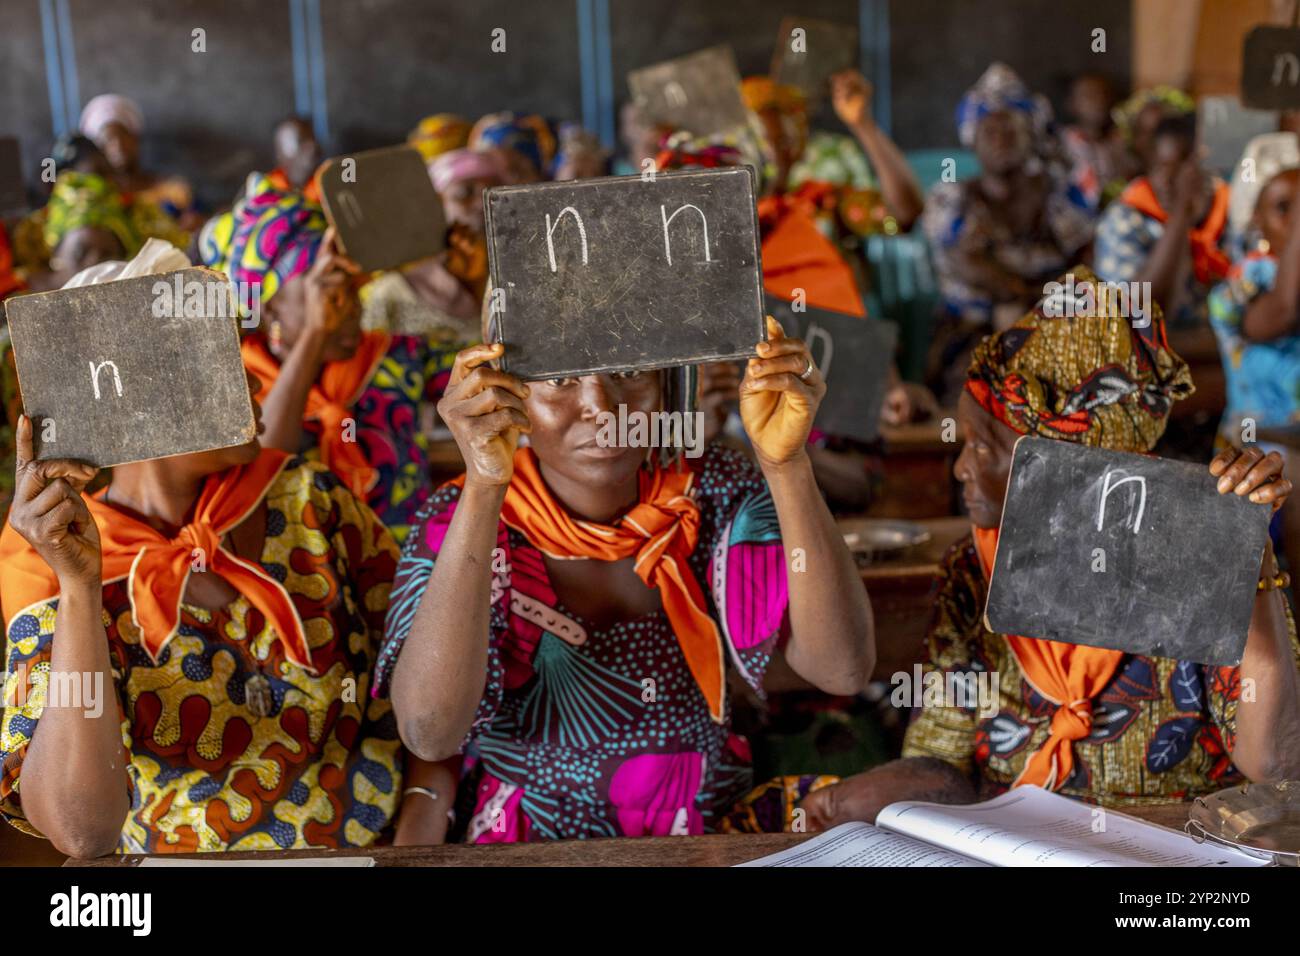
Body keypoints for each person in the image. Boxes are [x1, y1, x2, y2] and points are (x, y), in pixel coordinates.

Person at [796, 269, 1300, 828]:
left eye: (984, 449)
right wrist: (852, 804)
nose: (961, 468)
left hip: (1166, 849)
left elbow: (1274, 762)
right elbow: (944, 761)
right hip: (1015, 845)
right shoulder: (972, 568)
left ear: (1070, 466)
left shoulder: (1194, 555)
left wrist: (1247, 566)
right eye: (963, 443)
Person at [0, 240, 433, 855]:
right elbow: (81, 829)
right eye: (221, 361)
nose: (255, 384)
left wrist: (422, 822)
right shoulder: (52, 558)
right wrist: (77, 590)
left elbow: (422, 668)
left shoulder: (312, 502)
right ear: (139, 404)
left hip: (369, 847)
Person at [377, 318, 875, 841]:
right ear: (508, 391)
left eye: (631, 370)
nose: (602, 406)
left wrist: (786, 465)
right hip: (528, 843)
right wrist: (483, 484)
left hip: (702, 835)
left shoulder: (717, 489)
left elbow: (841, 669)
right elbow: (430, 732)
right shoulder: (463, 517)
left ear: (668, 382)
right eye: (561, 378)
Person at [199, 173, 457, 543]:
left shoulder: (395, 356)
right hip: (306, 585)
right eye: (328, 292)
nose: (351, 307)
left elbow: (493, 372)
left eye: (352, 289)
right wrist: (314, 336)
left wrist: (470, 290)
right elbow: (261, 470)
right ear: (270, 308)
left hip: (407, 581)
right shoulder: (237, 383)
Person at [922, 63, 1093, 401]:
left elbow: (1087, 257)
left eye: (1011, 131)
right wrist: (1026, 299)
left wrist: (1036, 309)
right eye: (990, 132)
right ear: (972, 140)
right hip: (973, 334)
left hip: (1058, 326)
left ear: (1031, 135)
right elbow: (965, 263)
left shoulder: (1059, 194)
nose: (1001, 140)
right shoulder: (952, 198)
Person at [1208, 133, 1300, 609]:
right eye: (1287, 207)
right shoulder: (1242, 285)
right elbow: (1284, 310)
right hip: (1261, 455)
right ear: (1257, 220)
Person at [1095, 112, 1230, 333]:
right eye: (1158, 168)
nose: (1164, 181)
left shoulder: (1229, 206)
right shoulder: (1126, 216)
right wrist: (1181, 215)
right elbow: (1135, 314)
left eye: (1176, 168)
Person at [359, 149, 503, 342]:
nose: (481, 203)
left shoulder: (513, 282)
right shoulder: (391, 296)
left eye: (494, 195)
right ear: (436, 203)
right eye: (464, 193)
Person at [78, 93, 199, 228]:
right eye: (108, 141)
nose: (118, 147)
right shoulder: (94, 197)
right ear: (97, 150)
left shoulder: (172, 189)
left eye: (124, 137)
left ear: (136, 138)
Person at [1060, 72, 1131, 213]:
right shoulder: (1062, 142)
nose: (1099, 101)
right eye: (1089, 95)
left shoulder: (1120, 141)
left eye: (1104, 95)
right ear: (1072, 104)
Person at [267, 116, 323, 201]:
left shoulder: (329, 187)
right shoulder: (263, 193)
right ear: (279, 153)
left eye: (312, 138)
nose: (312, 146)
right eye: (301, 141)